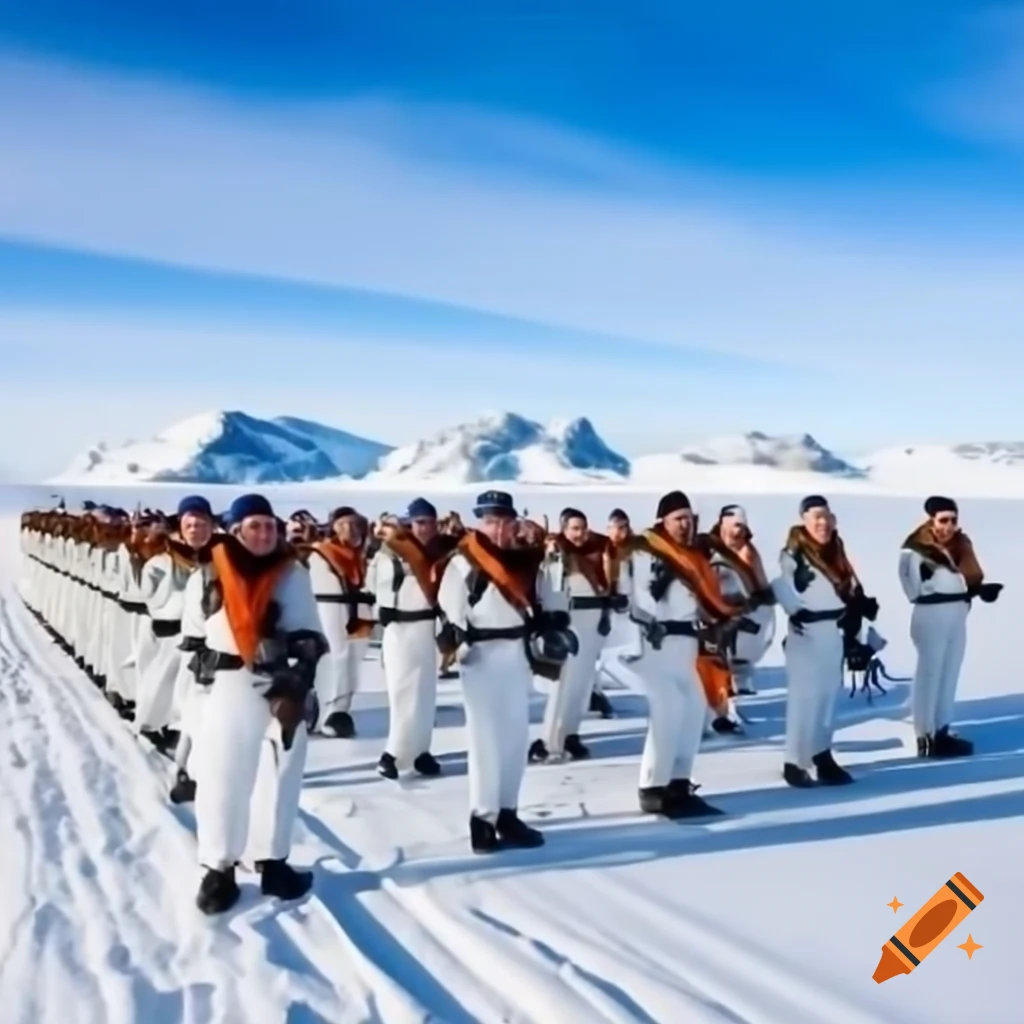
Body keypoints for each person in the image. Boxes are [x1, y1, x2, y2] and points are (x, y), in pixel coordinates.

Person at [182, 493, 328, 914]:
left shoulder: (292, 573)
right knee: (223, 776)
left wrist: (298, 680)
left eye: (269, 525)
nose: (264, 534)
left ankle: (273, 861)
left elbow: (311, 634)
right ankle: (219, 869)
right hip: (229, 684)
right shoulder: (209, 573)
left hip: (283, 687)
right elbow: (193, 638)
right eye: (254, 526)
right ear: (235, 530)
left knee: (282, 773)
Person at [437, 490, 574, 853]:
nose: (498, 529)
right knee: (485, 739)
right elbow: (450, 609)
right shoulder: (464, 562)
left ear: (515, 523)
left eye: (504, 521)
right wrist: (459, 644)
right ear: (480, 523)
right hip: (480, 656)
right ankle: (483, 819)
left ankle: (508, 812)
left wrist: (553, 625)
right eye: (490, 521)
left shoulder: (528, 561)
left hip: (516, 654)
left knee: (514, 737)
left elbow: (546, 599)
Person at [628, 491, 741, 817]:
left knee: (693, 708)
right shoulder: (647, 551)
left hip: (687, 643)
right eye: (678, 519)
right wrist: (653, 596)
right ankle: (653, 787)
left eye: (689, 519)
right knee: (668, 711)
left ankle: (679, 783)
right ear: (663, 520)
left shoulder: (692, 555)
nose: (685, 525)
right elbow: (636, 596)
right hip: (658, 645)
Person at [774, 495, 878, 788]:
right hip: (806, 634)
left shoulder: (837, 552)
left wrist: (859, 616)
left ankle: (822, 753)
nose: (823, 523)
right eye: (816, 517)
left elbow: (851, 588)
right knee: (804, 697)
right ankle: (794, 761)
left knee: (828, 696)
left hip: (834, 632)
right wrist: (795, 610)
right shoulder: (793, 554)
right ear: (804, 520)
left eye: (827, 516)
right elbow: (778, 584)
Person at [898, 496, 1002, 758]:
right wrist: (929, 588)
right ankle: (925, 734)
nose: (949, 526)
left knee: (950, 671)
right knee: (930, 673)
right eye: (943, 520)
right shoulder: (916, 549)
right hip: (931, 615)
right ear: (931, 521)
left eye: (953, 520)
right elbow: (910, 585)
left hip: (957, 614)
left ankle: (942, 728)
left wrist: (979, 590)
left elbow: (966, 579)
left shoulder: (961, 545)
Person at [369, 498, 459, 779]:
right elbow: (375, 582)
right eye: (420, 522)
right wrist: (383, 607)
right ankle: (393, 753)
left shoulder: (440, 552)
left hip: (427, 627)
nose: (426, 528)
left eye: (430, 522)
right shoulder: (392, 550)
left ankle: (421, 750)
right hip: (400, 627)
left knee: (425, 692)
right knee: (402, 690)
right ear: (409, 524)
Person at [533, 508, 625, 761]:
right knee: (564, 684)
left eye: (583, 528)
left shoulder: (600, 551)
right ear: (564, 529)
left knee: (582, 684)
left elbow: (609, 585)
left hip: (592, 625)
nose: (580, 534)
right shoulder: (557, 553)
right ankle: (551, 740)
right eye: (574, 528)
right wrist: (552, 623)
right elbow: (549, 588)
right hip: (569, 623)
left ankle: (571, 734)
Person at [307, 507, 375, 738]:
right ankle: (326, 713)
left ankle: (342, 710)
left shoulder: (362, 556)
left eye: (355, 524)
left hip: (361, 611)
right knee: (336, 657)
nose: (351, 530)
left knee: (355, 661)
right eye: (344, 525)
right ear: (333, 528)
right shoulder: (321, 553)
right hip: (334, 610)